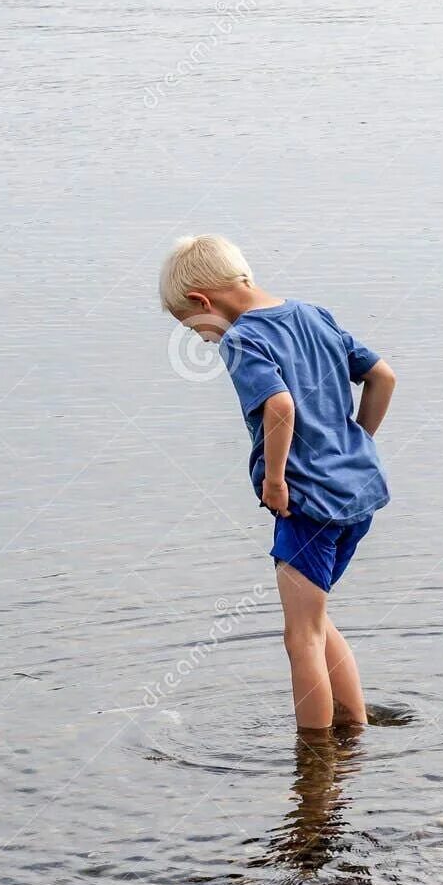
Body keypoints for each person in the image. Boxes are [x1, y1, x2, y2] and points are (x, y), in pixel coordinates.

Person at [160, 235, 395, 729]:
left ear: (203, 302)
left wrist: (274, 481)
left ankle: (314, 762)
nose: (203, 339)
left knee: (300, 638)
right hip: (356, 494)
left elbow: (280, 406)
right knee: (316, 623)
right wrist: (356, 446)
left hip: (307, 505)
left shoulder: (244, 337)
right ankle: (353, 726)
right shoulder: (314, 314)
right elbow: (383, 377)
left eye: (194, 328)